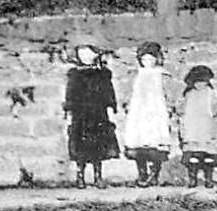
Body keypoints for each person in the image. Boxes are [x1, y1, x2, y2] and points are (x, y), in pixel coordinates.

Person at [63, 43, 119, 187]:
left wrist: (111, 109)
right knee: (81, 147)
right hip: (81, 116)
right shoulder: (75, 74)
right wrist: (69, 113)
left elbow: (108, 93)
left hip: (97, 115)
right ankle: (80, 176)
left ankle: (97, 176)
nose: (86, 57)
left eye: (89, 53)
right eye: (82, 54)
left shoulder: (102, 74)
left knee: (97, 146)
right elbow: (70, 95)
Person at [121, 41, 173, 187]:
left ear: (157, 59)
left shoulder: (162, 75)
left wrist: (169, 108)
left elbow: (169, 94)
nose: (147, 62)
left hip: (156, 111)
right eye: (144, 59)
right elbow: (128, 92)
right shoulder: (136, 74)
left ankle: (154, 174)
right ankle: (142, 173)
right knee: (139, 144)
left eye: (151, 59)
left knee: (156, 144)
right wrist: (127, 104)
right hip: (139, 113)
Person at [179, 64, 217, 189]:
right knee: (193, 156)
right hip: (192, 128)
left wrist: (216, 115)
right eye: (197, 82)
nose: (200, 85)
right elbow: (181, 110)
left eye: (203, 82)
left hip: (207, 128)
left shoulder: (211, 94)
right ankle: (192, 179)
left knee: (208, 156)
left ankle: (208, 179)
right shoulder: (188, 95)